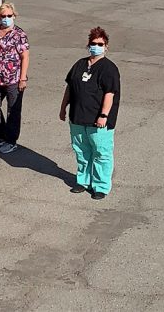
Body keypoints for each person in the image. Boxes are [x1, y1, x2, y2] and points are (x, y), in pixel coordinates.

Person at [59, 26, 120, 200]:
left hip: (98, 120)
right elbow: (70, 87)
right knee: (81, 151)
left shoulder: (109, 69)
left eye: (100, 44)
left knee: (101, 153)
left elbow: (110, 93)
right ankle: (83, 181)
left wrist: (103, 116)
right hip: (78, 117)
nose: (96, 46)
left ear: (106, 46)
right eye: (93, 43)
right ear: (88, 45)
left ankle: (101, 186)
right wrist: (63, 107)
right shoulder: (79, 64)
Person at [0, 2, 30, 153]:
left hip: (14, 80)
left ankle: (11, 140)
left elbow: (25, 57)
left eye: (9, 16)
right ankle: (1, 134)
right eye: (3, 16)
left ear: (14, 16)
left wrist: (22, 79)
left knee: (13, 111)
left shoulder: (19, 35)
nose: (6, 18)